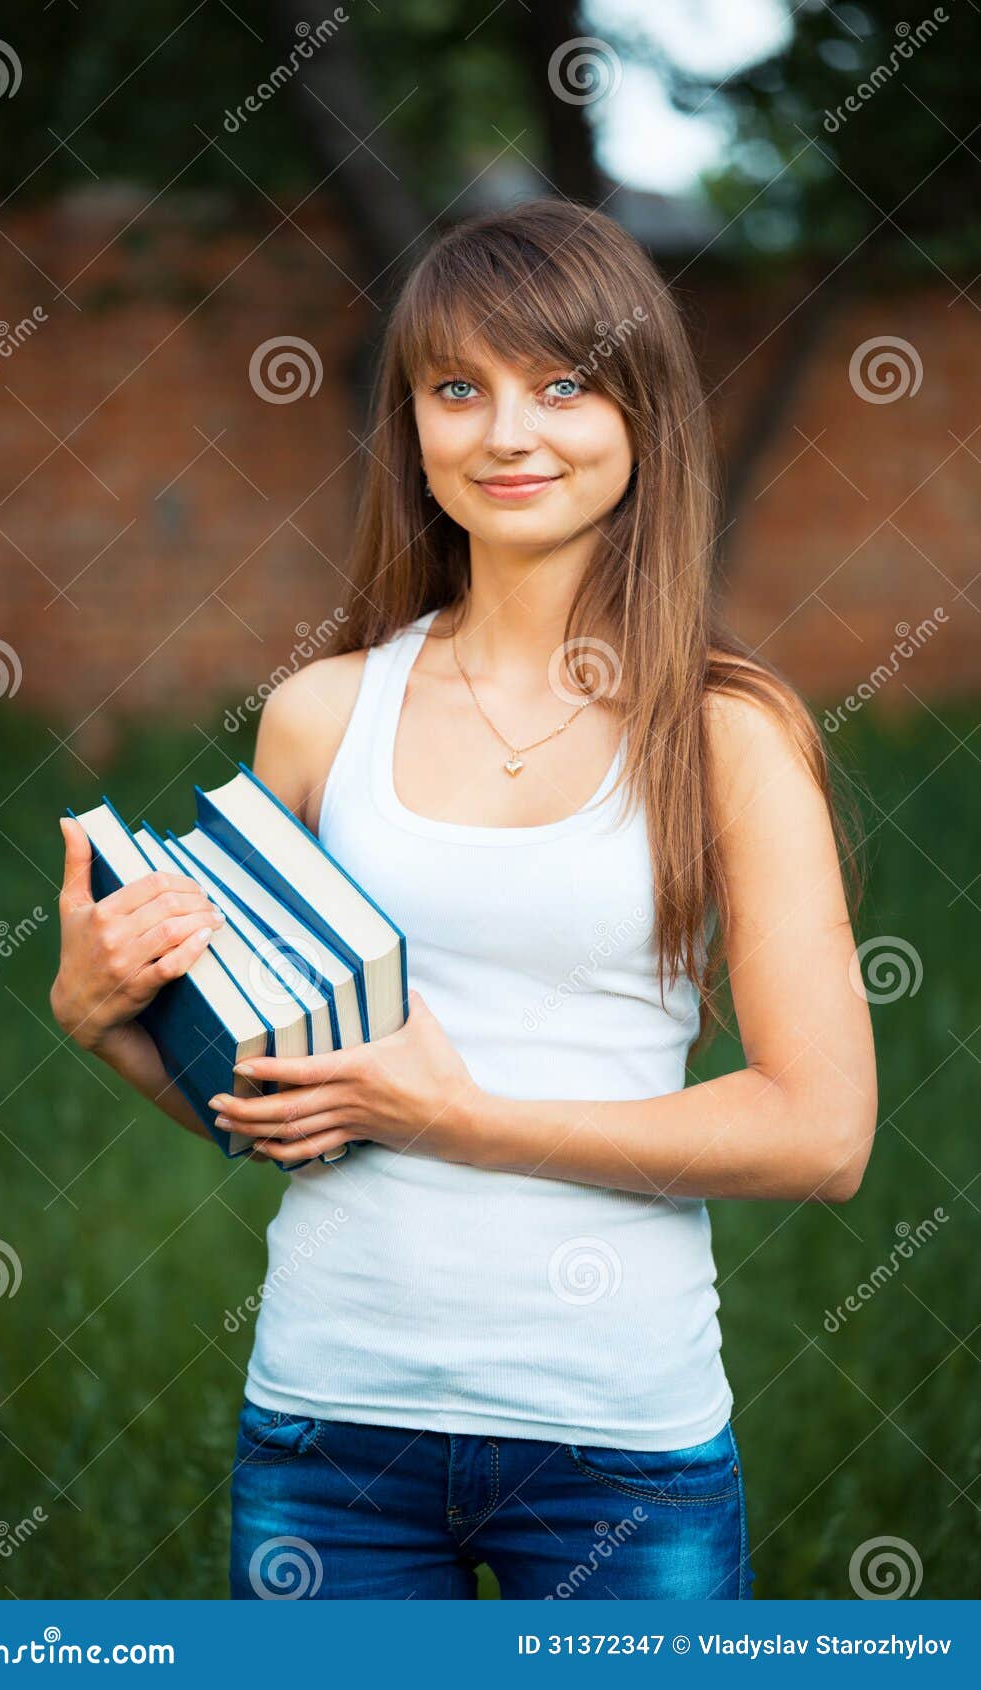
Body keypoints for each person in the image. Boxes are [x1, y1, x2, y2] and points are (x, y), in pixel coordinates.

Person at [51, 199, 877, 1601]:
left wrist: (456, 1117)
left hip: (618, 1440)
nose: (508, 432)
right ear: (413, 427)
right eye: (457, 388)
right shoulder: (320, 716)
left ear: (642, 417)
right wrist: (107, 1020)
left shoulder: (727, 730)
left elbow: (820, 1129)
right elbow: (281, 1109)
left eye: (562, 384)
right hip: (329, 1428)